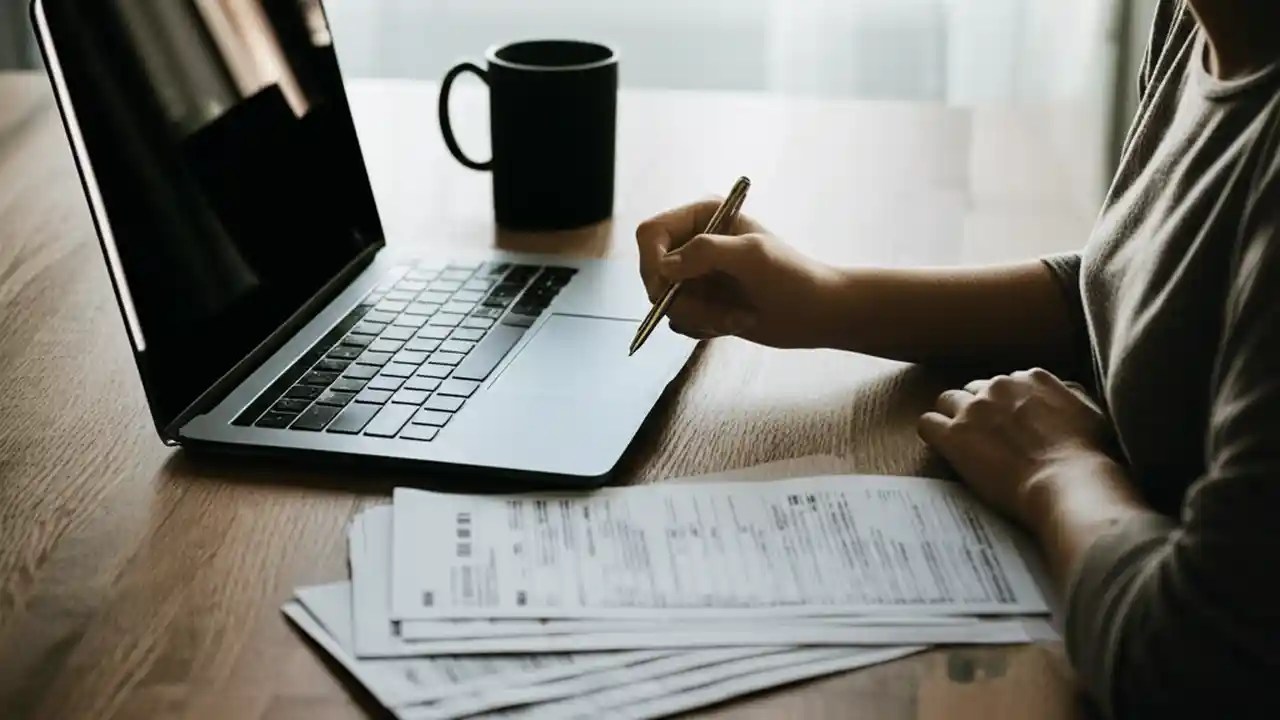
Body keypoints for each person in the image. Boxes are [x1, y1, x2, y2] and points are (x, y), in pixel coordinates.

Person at [635, 1, 1280, 717]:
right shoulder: (1205, 21)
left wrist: (1057, 470)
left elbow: (1194, 662)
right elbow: (1128, 299)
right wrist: (826, 299)